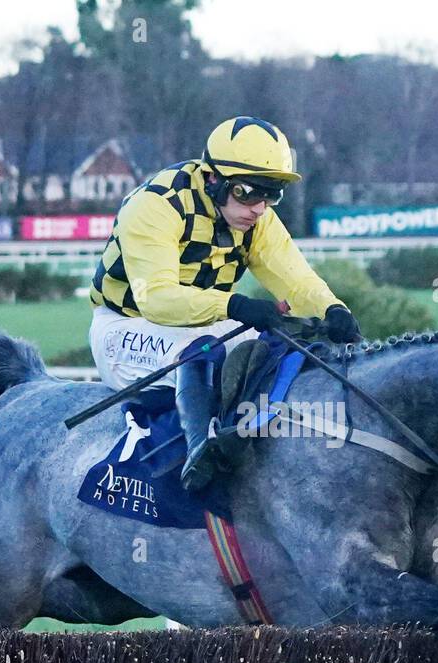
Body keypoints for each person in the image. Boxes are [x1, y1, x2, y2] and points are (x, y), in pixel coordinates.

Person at [88, 116, 361, 491]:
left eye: (272, 194)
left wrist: (333, 309)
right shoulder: (156, 207)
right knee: (197, 351)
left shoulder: (257, 219)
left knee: (281, 350)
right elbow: (157, 301)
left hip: (201, 326)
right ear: (212, 178)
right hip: (126, 326)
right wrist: (235, 306)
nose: (259, 208)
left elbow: (297, 280)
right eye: (248, 192)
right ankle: (201, 456)